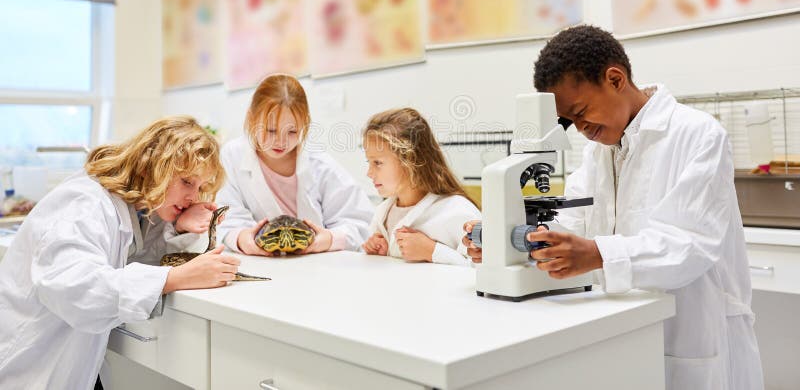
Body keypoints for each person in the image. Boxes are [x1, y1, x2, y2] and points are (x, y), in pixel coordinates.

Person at [464, 25, 762, 389]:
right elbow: (571, 224)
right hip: (624, 331)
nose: (580, 128)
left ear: (615, 79)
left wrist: (598, 254)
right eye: (569, 121)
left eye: (581, 111)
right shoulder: (598, 151)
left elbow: (689, 246)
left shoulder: (697, 135)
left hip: (695, 332)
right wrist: (511, 244)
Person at [0, 116, 240, 389]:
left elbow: (133, 255)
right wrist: (173, 278)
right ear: (154, 165)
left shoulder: (134, 209)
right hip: (28, 369)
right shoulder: (85, 203)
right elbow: (75, 288)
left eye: (200, 188)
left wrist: (179, 226)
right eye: (187, 182)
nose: (195, 197)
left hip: (73, 362)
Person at [216, 74, 372, 255]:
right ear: (252, 119)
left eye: (292, 131)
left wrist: (328, 239)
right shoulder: (232, 156)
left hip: (316, 264)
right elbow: (227, 217)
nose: (281, 142)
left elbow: (360, 222)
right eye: (271, 130)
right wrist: (242, 238)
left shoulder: (320, 165)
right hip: (260, 264)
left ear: (304, 124)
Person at [362, 108, 480, 265]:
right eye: (368, 162)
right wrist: (380, 251)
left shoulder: (457, 211)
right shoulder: (382, 213)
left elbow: (482, 271)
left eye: (377, 163)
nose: (369, 173)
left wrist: (432, 251)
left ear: (410, 160)